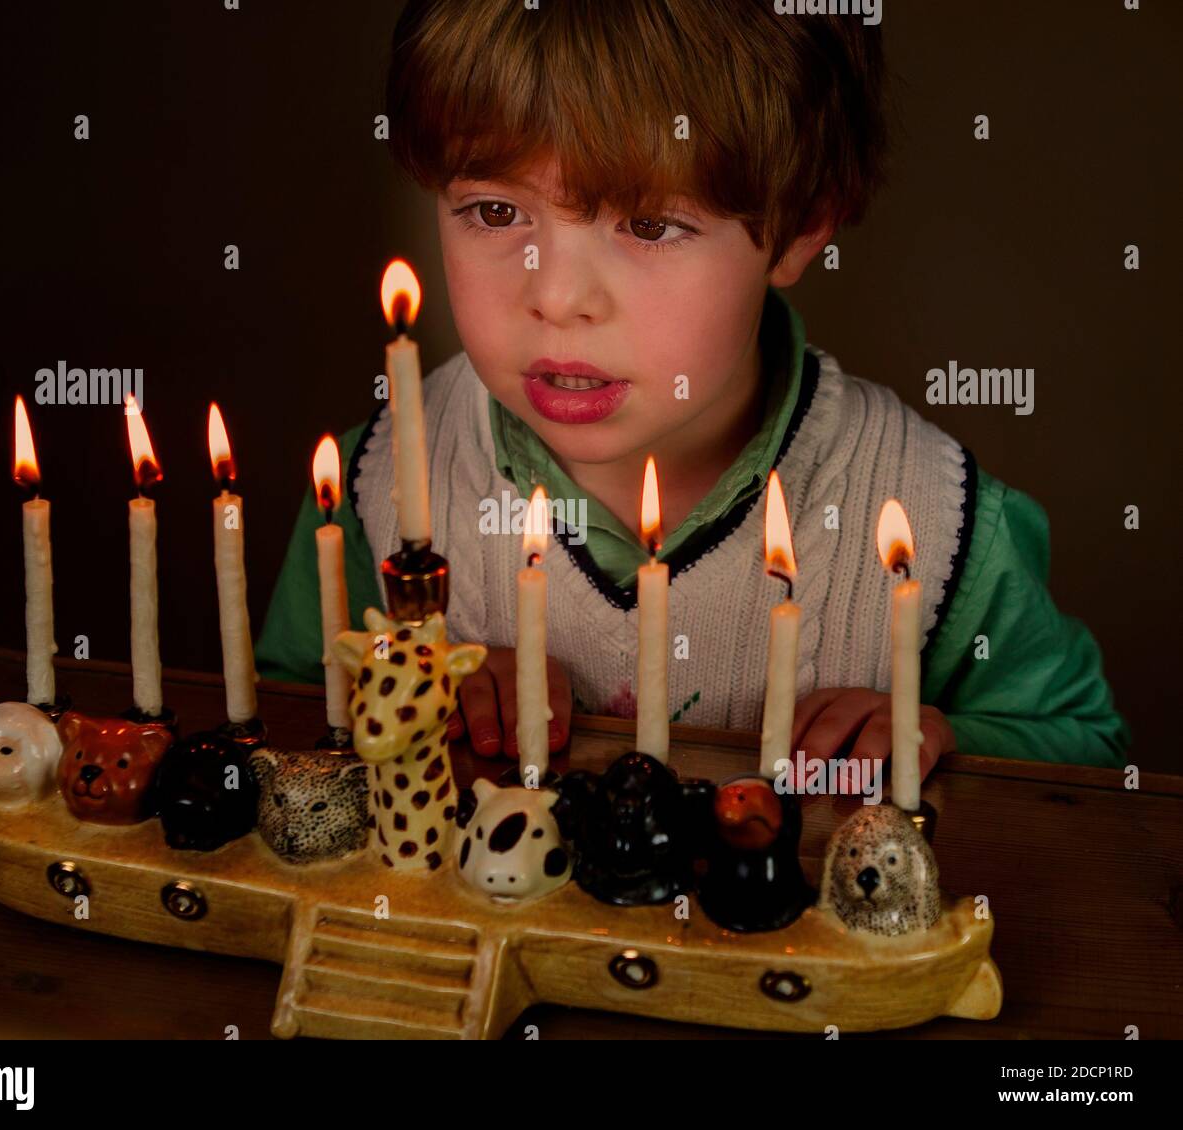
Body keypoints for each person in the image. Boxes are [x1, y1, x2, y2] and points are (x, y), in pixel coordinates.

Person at [256, 0, 1128, 782]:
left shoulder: (939, 520)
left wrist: (942, 736)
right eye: (494, 212)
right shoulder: (372, 490)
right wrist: (400, 685)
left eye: (648, 225)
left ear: (798, 227)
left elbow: (1086, 751)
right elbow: (282, 718)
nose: (556, 298)